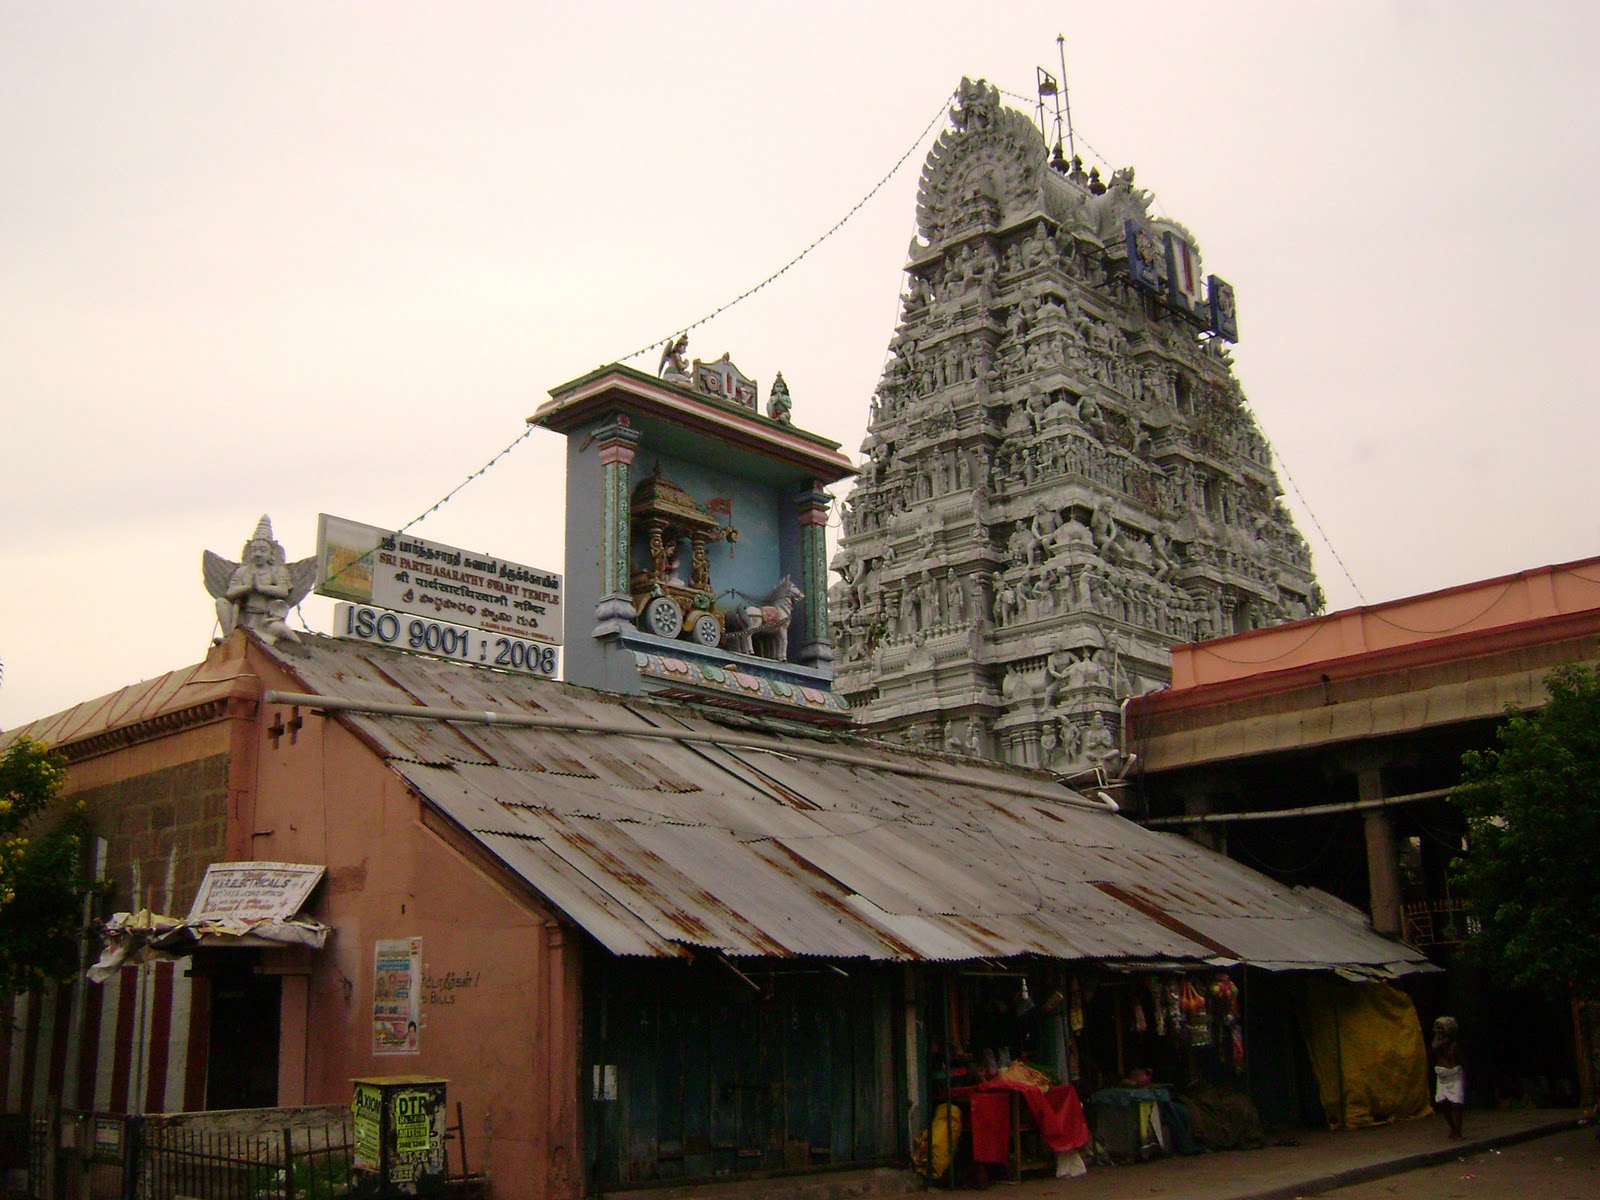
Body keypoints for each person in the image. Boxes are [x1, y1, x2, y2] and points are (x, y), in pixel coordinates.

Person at [1431, 1016, 1465, 1139]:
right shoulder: (1437, 1043)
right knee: (1443, 1103)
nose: (1438, 1031)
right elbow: (1435, 1047)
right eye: (1437, 1029)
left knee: (1456, 1104)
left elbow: (1460, 1060)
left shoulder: (1454, 1046)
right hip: (1442, 1076)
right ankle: (1453, 1127)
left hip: (1455, 1075)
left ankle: (1457, 1130)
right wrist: (1443, 1040)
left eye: (1441, 1029)